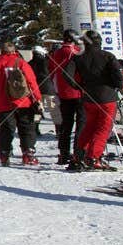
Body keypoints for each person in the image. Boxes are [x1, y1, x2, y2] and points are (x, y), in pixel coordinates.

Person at [70, 31, 122, 171]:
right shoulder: (108, 56)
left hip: (88, 97)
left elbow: (67, 75)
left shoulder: (77, 58)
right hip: (107, 98)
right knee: (103, 128)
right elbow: (118, 77)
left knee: (89, 127)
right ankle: (93, 157)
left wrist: (79, 86)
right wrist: (118, 86)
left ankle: (79, 155)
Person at [0, 38, 42, 166]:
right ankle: (28, 154)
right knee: (26, 127)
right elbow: (31, 81)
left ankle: (4, 154)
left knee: (6, 128)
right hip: (22, 101)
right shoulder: (19, 62)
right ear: (14, 50)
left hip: (1, 103)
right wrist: (37, 98)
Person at [46, 30, 84, 165]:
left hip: (62, 92)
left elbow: (51, 71)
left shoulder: (57, 53)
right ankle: (78, 153)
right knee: (81, 124)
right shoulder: (76, 52)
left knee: (65, 125)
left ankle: (63, 153)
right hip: (77, 91)